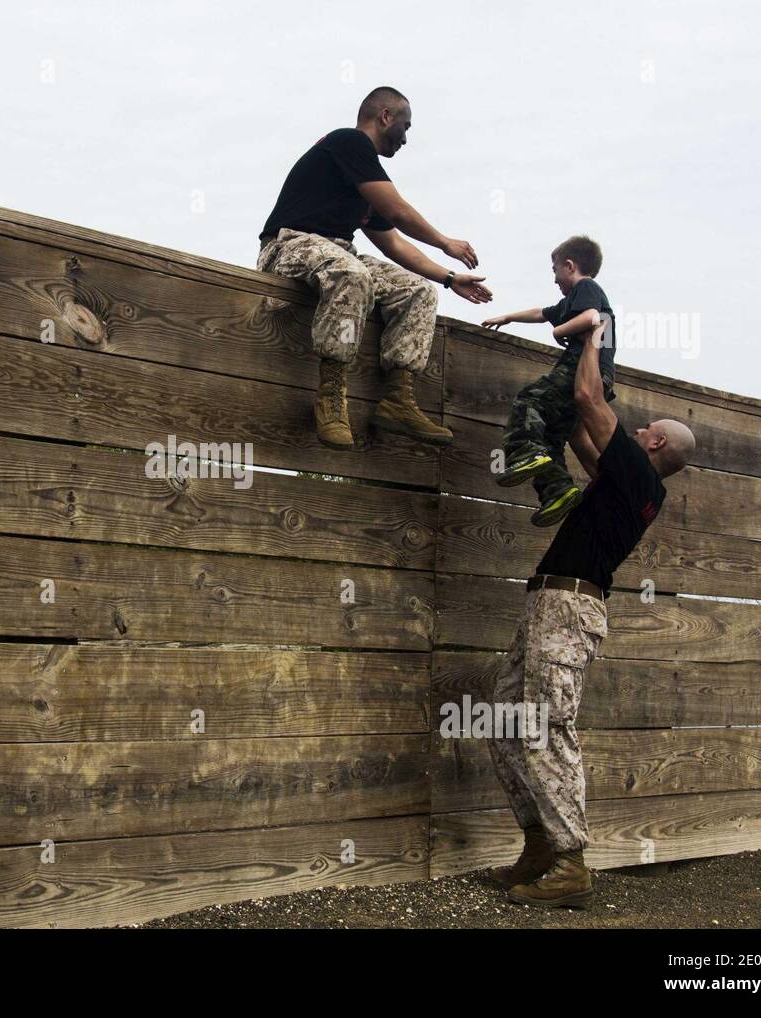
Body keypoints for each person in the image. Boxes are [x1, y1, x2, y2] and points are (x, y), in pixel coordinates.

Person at [485, 316, 696, 908]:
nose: (639, 426)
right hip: (551, 601)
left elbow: (587, 396)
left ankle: (571, 862)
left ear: (653, 445)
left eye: (647, 427)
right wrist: (560, 415)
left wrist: (591, 339)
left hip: (569, 607)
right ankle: (541, 846)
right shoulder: (627, 479)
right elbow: (583, 428)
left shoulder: (636, 471)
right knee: (504, 723)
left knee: (549, 727)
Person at [257, 86, 492, 450]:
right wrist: (446, 242)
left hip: (336, 252)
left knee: (417, 291)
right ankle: (332, 394)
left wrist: (448, 278)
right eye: (406, 126)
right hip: (287, 246)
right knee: (353, 273)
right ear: (385, 117)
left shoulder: (364, 179)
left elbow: (394, 242)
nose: (406, 138)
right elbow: (398, 210)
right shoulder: (349, 143)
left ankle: (398, 398)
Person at [483, 235, 617, 526]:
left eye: (555, 271)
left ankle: (524, 451)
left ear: (569, 266)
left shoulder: (586, 287)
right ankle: (557, 490)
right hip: (599, 377)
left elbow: (593, 317)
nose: (555, 279)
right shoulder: (571, 300)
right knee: (553, 436)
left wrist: (559, 333)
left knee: (529, 401)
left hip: (584, 367)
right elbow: (542, 313)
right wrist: (508, 317)